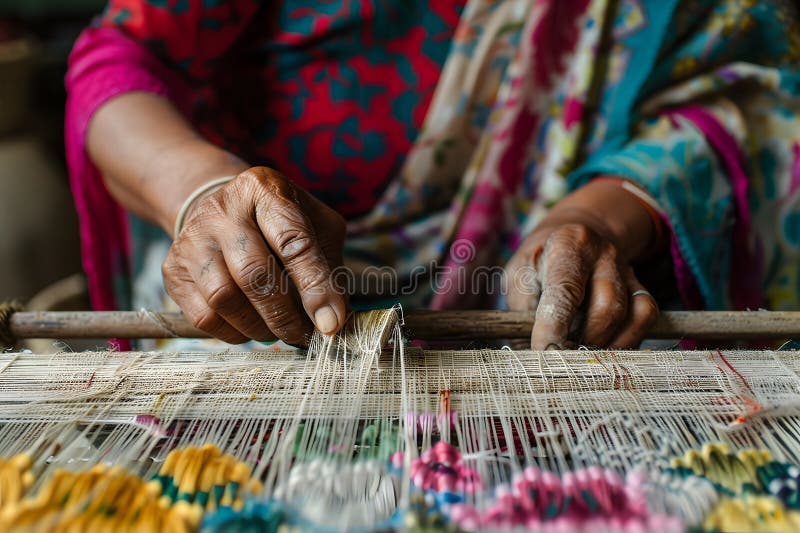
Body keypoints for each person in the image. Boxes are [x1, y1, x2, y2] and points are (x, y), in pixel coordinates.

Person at [66, 0, 800, 350]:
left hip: (552, 332)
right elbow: (122, 62)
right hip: (264, 313)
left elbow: (734, 99)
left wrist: (592, 222)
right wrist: (203, 193)